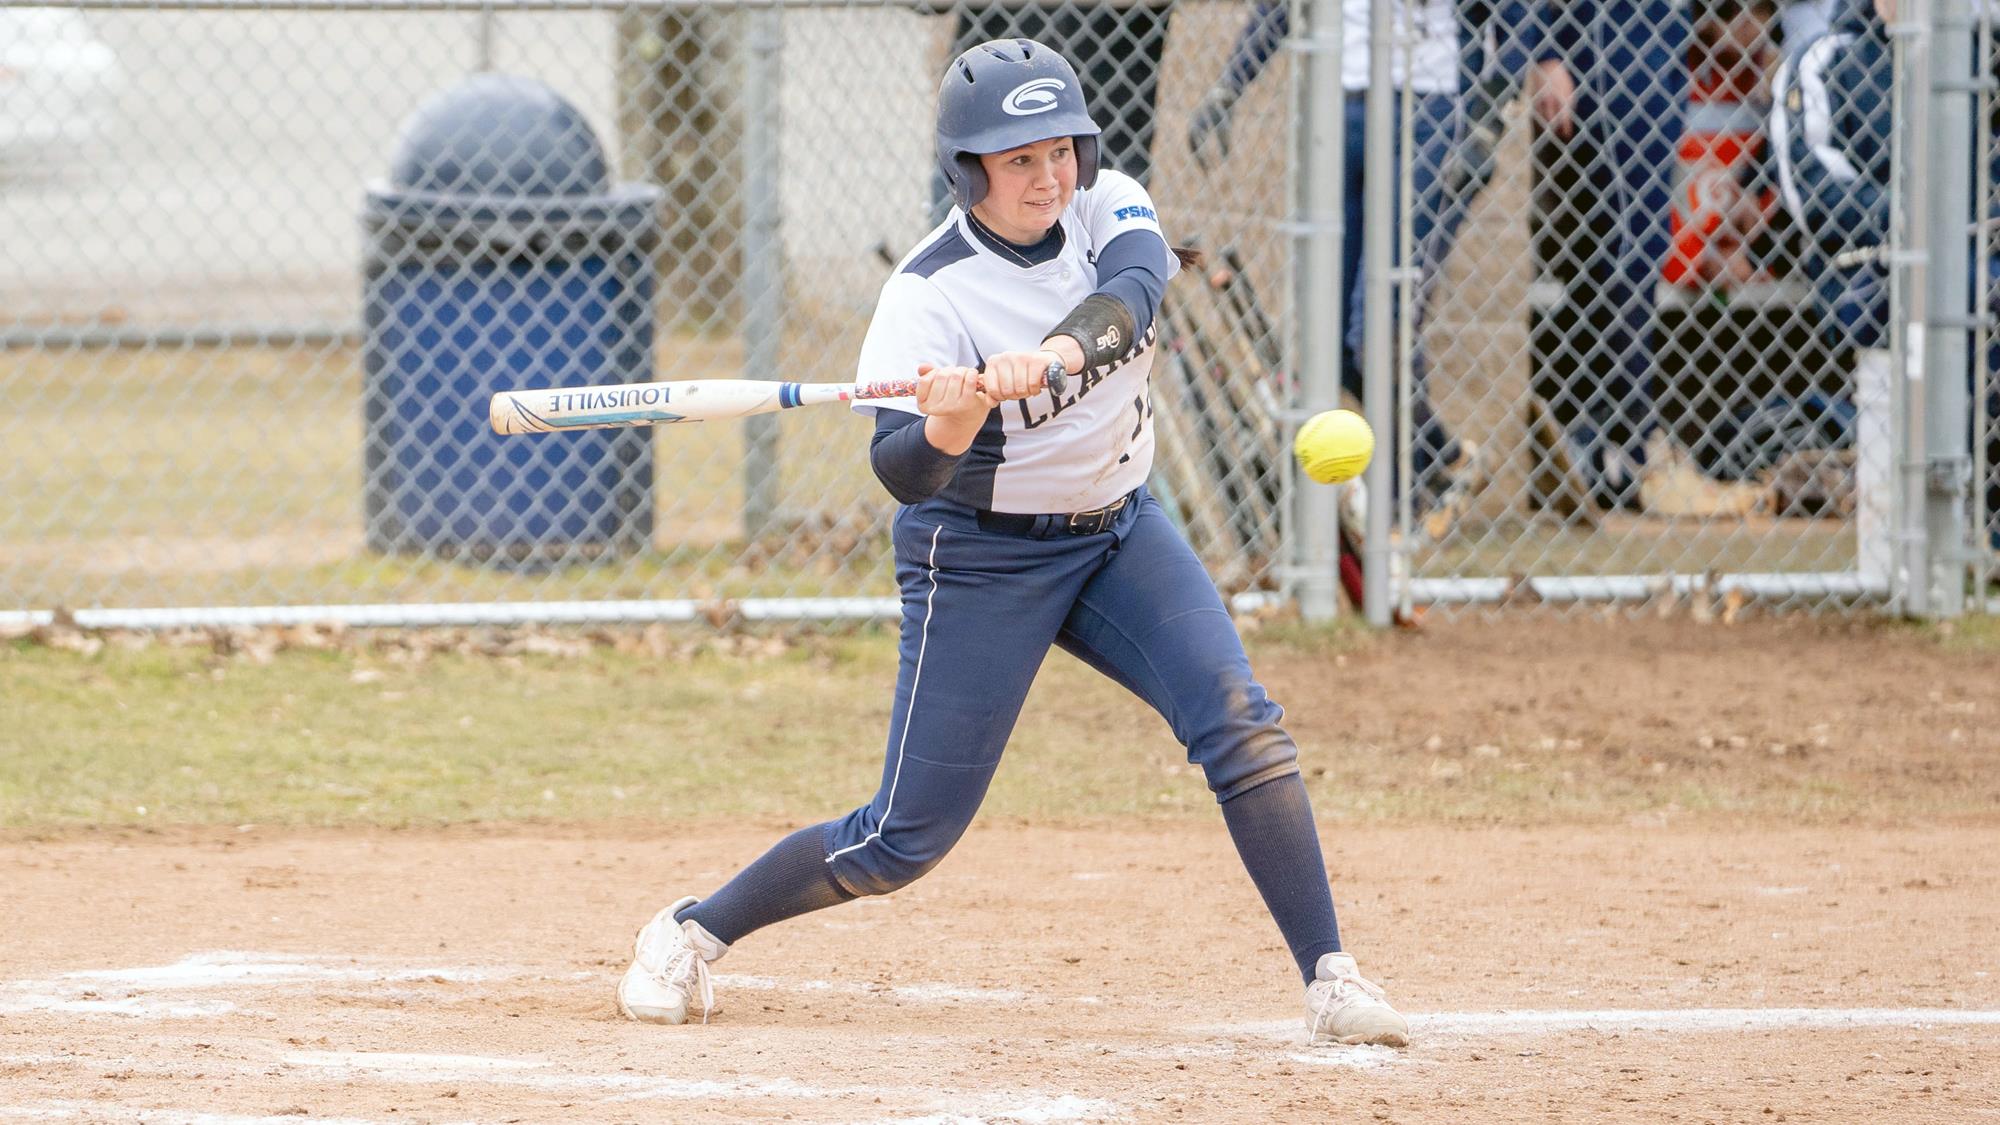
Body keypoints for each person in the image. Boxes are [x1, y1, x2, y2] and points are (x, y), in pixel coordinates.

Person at [615, 39, 1411, 1048]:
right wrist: (947, 422)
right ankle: (693, 930)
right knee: (902, 842)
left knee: (1238, 721)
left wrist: (1056, 354)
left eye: (1057, 152)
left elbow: (1130, 294)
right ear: (970, 171)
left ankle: (1328, 977)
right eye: (1017, 160)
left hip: (1120, 531)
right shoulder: (927, 294)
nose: (1047, 178)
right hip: (981, 557)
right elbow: (900, 471)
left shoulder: (1107, 204)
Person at [1188, 0, 1484, 533]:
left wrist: (1490, 113)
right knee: (1334, 342)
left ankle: (1399, 507)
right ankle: (1438, 456)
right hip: (1340, 106)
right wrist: (1230, 84)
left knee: (1380, 325)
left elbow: (1505, 19)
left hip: (1429, 104)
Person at [1518, 0, 1691, 512]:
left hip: (1657, 44)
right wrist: (1547, 54)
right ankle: (1628, 444)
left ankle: (1614, 443)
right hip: (1601, 46)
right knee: (1616, 253)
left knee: (1630, 252)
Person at [1768, 0, 1895, 582]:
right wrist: (1918, 221)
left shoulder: (1975, 53)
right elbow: (1813, 193)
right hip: (1868, 268)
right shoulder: (1828, 59)